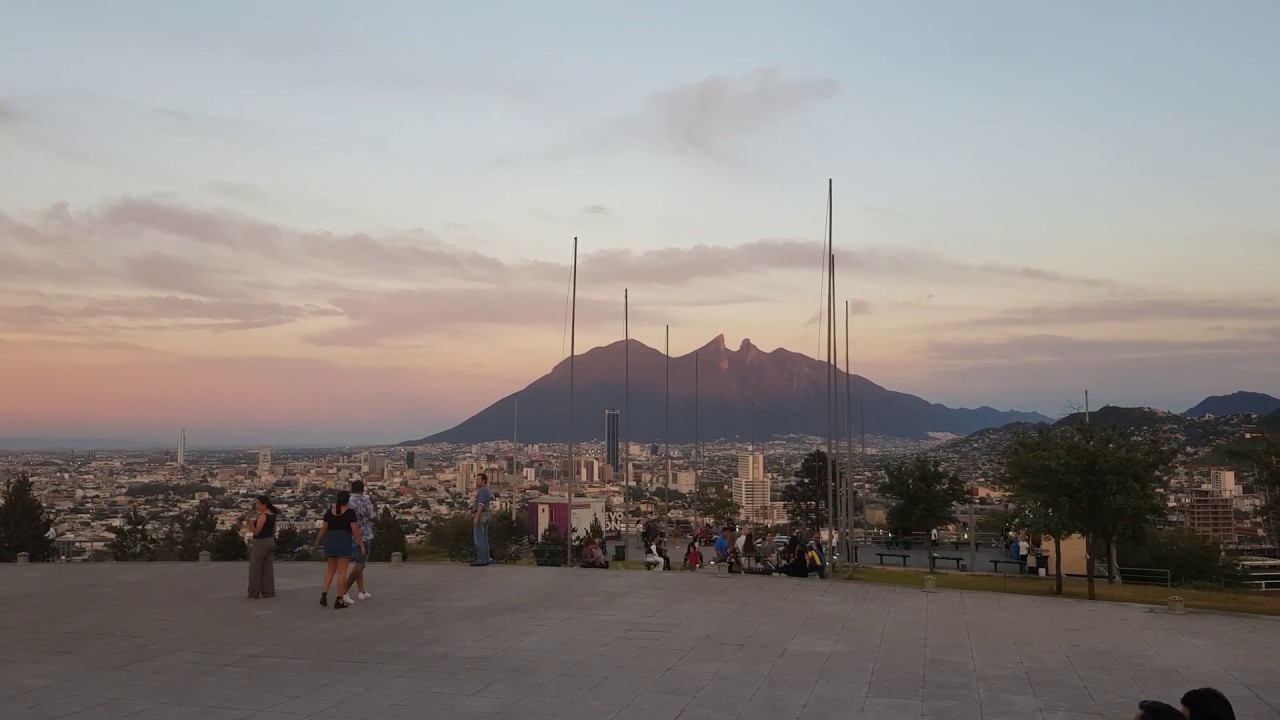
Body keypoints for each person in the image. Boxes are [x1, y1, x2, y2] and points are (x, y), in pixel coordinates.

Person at [313, 490, 364, 609]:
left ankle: (324, 594)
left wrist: (317, 542)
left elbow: (323, 529)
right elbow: (355, 530)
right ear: (347, 501)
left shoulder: (329, 512)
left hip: (330, 540)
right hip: (343, 541)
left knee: (330, 570)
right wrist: (361, 544)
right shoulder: (350, 513)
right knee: (342, 571)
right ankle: (339, 599)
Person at [340, 480, 376, 605]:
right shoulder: (366, 501)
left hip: (350, 534)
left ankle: (361, 591)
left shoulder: (348, 502)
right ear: (363, 489)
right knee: (361, 564)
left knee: (359, 562)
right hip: (364, 535)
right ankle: (343, 591)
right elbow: (372, 515)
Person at [244, 495, 278, 599]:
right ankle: (269, 592)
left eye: (258, 504)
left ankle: (253, 593)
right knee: (268, 568)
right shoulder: (272, 515)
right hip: (270, 541)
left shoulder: (263, 516)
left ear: (264, 505)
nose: (257, 505)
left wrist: (249, 523)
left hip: (260, 542)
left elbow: (257, 532)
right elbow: (274, 530)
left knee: (255, 568)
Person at [471, 473, 493, 566]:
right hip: (485, 514)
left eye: (478, 479)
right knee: (484, 538)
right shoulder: (486, 490)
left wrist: (476, 517)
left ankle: (481, 560)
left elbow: (481, 504)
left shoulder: (483, 490)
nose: (477, 481)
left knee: (479, 538)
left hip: (481, 514)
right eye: (476, 479)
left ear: (483, 481)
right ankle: (486, 558)